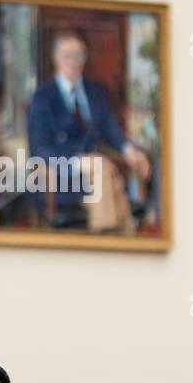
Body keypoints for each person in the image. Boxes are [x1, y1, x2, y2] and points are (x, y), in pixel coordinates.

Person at [26, 30, 152, 232]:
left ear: (84, 59)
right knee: (105, 174)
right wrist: (78, 163)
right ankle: (115, 240)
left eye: (78, 55)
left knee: (104, 172)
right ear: (55, 59)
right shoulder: (42, 97)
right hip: (61, 179)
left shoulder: (96, 92)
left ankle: (108, 237)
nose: (73, 61)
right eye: (67, 55)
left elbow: (111, 129)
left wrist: (129, 150)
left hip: (98, 175)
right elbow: (39, 150)